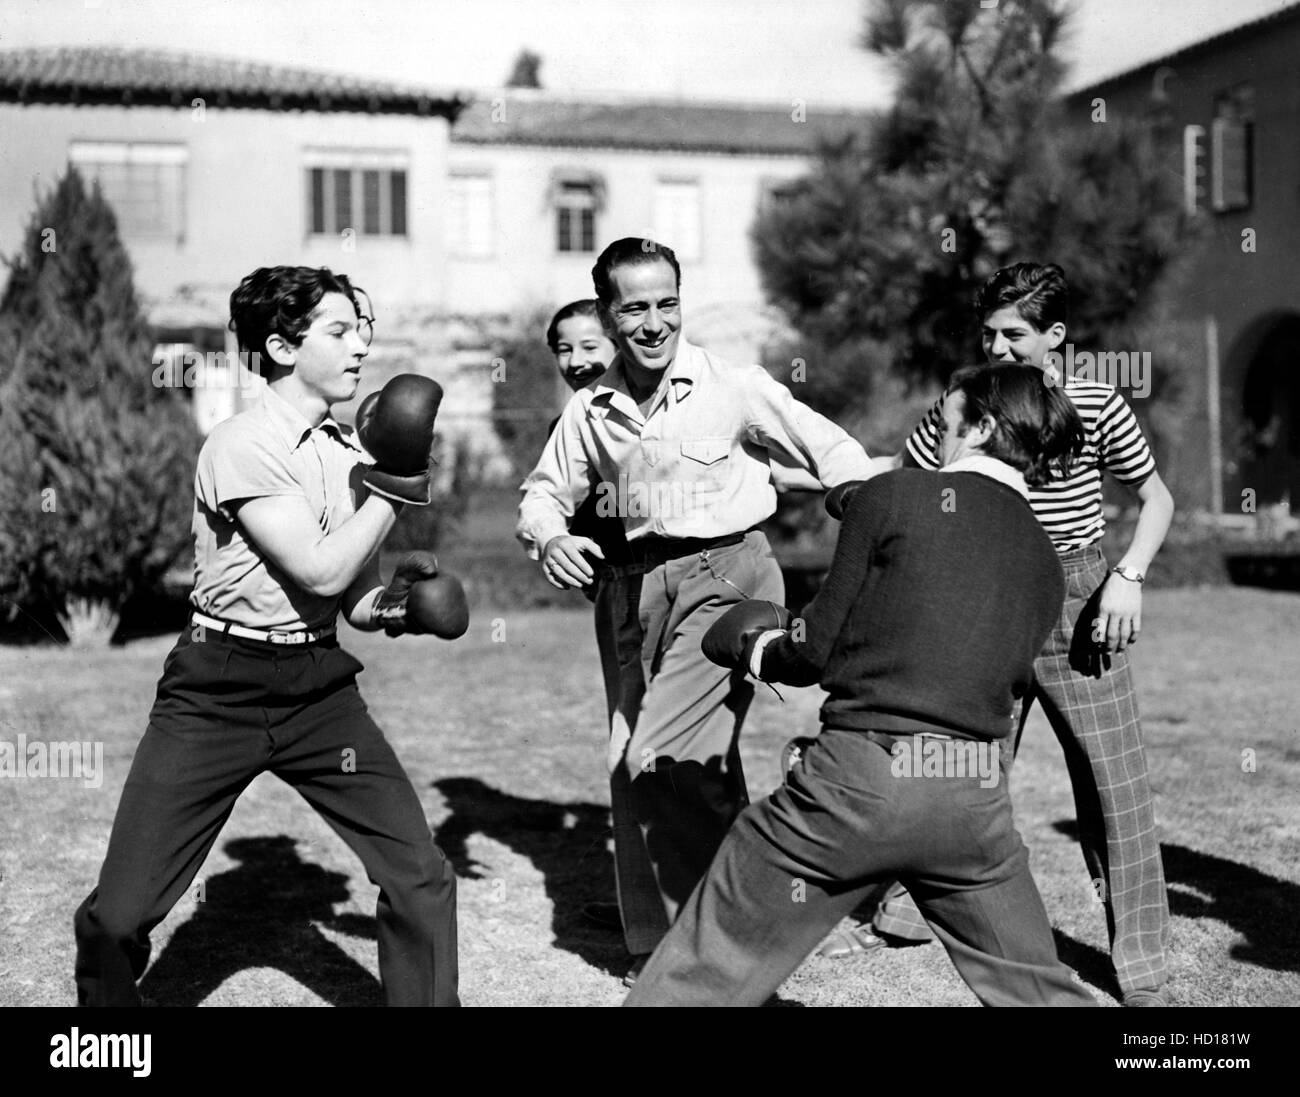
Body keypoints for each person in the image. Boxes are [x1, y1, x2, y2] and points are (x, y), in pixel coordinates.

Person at [624, 364, 1097, 1007]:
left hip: (861, 779)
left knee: (711, 958)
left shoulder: (895, 495)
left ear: (983, 427)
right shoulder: (1046, 559)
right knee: (1041, 994)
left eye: (946, 418)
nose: (935, 432)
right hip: (976, 801)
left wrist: (754, 645)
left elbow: (815, 649)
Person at [74, 265, 460, 1007]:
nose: (360, 348)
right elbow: (316, 570)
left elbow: (348, 597)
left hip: (319, 692)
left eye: (362, 330)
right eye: (339, 332)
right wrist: (396, 487)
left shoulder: (349, 453)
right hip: (218, 686)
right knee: (118, 915)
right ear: (282, 347)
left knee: (420, 875)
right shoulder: (241, 444)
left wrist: (400, 608)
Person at [517, 237, 877, 982]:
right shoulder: (593, 409)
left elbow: (831, 450)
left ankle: (719, 953)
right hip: (648, 585)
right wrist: (550, 535)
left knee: (660, 756)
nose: (654, 323)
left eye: (667, 304)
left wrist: (874, 521)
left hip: (731, 578)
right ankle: (749, 920)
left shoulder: (732, 385)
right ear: (610, 318)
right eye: (636, 308)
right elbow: (542, 492)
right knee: (686, 764)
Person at [860, 262, 1174, 1008]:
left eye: (1016, 334)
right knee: (961, 760)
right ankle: (911, 910)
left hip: (1078, 602)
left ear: (1055, 336)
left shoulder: (1097, 402)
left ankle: (1146, 964)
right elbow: (908, 483)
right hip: (984, 598)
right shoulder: (960, 407)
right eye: (990, 332)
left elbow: (1156, 497)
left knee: (1115, 785)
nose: (998, 347)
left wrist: (1127, 577)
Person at [543, 299, 668, 958]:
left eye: (589, 343)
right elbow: (554, 503)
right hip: (616, 592)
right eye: (563, 348)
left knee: (648, 753)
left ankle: (664, 933)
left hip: (659, 590)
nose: (577, 359)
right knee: (634, 752)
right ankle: (644, 912)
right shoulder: (582, 417)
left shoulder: (648, 408)